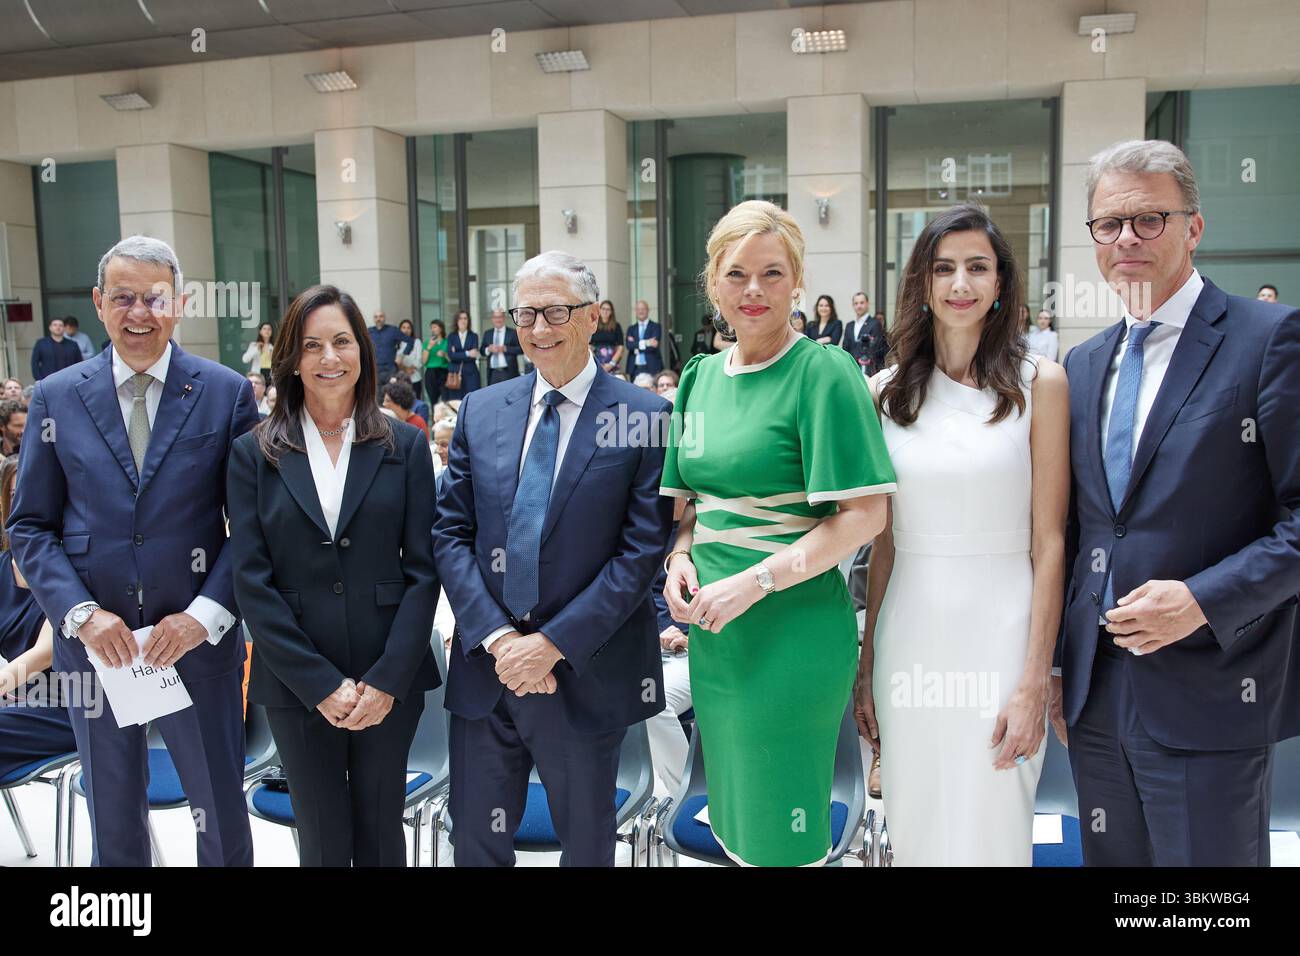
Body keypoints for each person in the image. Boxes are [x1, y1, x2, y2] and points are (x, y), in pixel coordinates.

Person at [1055, 140, 1300, 867]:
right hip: (1097, 701)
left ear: (1194, 228)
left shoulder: (1268, 340)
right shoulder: (1084, 363)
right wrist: (1063, 667)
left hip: (1213, 691)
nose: (1126, 238)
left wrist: (1201, 599)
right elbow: (1083, 528)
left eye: (1149, 219)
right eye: (1109, 224)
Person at [7, 235, 259, 867]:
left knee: (220, 818)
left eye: (154, 298)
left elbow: (254, 527)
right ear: (99, 303)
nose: (139, 313)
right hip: (95, 653)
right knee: (113, 824)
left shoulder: (226, 393)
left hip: (194, 648)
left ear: (180, 304)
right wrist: (81, 615)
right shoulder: (56, 397)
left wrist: (201, 618)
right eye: (124, 297)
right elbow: (31, 527)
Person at [660, 201, 894, 866]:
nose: (753, 290)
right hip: (718, 638)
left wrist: (756, 582)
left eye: (771, 272)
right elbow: (692, 508)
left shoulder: (824, 374)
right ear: (713, 285)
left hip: (792, 634)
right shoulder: (699, 381)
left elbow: (864, 516)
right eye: (737, 274)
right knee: (735, 823)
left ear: (797, 280)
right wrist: (680, 557)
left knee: (785, 835)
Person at [434, 250, 673, 867]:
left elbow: (642, 551)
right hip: (486, 672)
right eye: (525, 315)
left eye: (556, 312)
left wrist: (552, 644)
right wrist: (496, 639)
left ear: (593, 317)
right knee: (476, 843)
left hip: (584, 673)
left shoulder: (644, 418)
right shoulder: (482, 411)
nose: (539, 329)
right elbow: (450, 534)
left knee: (587, 846)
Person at [855, 204, 1068, 866]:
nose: (960, 284)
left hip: (1003, 634)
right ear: (921, 282)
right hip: (909, 637)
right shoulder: (883, 395)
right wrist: (866, 671)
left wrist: (1037, 677)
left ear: (1000, 282)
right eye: (943, 268)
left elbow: (1051, 542)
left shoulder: (1042, 385)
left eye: (977, 267)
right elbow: (882, 546)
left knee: (994, 821)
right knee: (918, 825)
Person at [228, 284, 439, 867]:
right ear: (291, 358)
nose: (329, 358)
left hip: (387, 677)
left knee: (380, 835)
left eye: (342, 342)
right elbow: (251, 579)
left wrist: (389, 680)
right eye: (312, 345)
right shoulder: (254, 453)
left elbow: (423, 573)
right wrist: (319, 683)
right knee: (320, 839)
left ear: (363, 352)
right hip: (297, 683)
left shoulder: (405, 445)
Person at [0, 454, 78, 785]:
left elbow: (46, 651)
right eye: (16, 493)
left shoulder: (74, 565)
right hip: (20, 703)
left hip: (77, 708)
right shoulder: (4, 565)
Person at [843, 291, 888, 377]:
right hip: (851, 370)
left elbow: (875, 347)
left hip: (869, 370)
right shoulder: (849, 326)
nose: (859, 306)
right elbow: (845, 348)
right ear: (853, 305)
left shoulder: (875, 324)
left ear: (867, 304)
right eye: (856, 303)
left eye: (862, 303)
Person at [368, 310, 405, 399]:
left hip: (390, 369)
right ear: (374, 319)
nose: (378, 319)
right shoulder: (368, 332)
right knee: (377, 396)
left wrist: (401, 354)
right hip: (375, 370)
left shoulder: (392, 331)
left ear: (384, 318)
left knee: (392, 395)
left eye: (381, 316)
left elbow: (408, 341)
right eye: (376, 317)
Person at [446, 310, 481, 400]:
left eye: (465, 318)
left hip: (471, 374)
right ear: (456, 321)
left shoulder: (474, 336)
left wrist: (457, 353)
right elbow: (451, 355)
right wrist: (467, 353)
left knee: (472, 400)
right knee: (456, 402)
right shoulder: (451, 336)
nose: (463, 321)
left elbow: (474, 355)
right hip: (455, 374)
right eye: (460, 318)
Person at [483, 308, 523, 385]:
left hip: (508, 372)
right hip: (493, 373)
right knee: (494, 396)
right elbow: (482, 350)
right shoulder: (488, 333)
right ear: (492, 319)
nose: (498, 320)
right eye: (495, 317)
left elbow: (521, 349)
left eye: (500, 317)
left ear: (504, 318)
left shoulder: (512, 333)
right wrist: (488, 349)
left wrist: (505, 349)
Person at [625, 299, 663, 376]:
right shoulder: (631, 328)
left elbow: (653, 346)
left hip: (652, 367)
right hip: (635, 368)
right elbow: (629, 345)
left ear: (648, 310)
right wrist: (647, 342)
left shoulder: (655, 327)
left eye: (643, 309)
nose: (640, 311)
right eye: (638, 309)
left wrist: (636, 346)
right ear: (635, 311)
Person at [591, 300, 624, 373]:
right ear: (599, 310)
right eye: (603, 309)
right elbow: (588, 345)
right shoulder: (594, 325)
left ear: (611, 312)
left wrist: (611, 364)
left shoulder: (616, 326)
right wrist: (597, 363)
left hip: (612, 362)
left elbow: (620, 347)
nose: (605, 311)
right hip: (597, 362)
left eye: (608, 309)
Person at [422, 319, 449, 405]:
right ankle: (435, 417)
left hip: (444, 372)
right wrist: (429, 347)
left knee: (445, 399)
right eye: (431, 328)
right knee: (433, 400)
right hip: (430, 372)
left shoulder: (447, 342)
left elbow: (452, 360)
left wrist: (444, 354)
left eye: (434, 327)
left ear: (440, 329)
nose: (432, 329)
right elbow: (423, 361)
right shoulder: (427, 343)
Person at [397, 319, 425, 402]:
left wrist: (411, 368)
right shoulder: (397, 343)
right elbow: (396, 359)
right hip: (401, 377)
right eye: (404, 327)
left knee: (415, 402)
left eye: (408, 328)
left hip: (415, 377)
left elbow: (419, 358)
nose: (406, 330)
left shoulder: (416, 341)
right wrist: (405, 369)